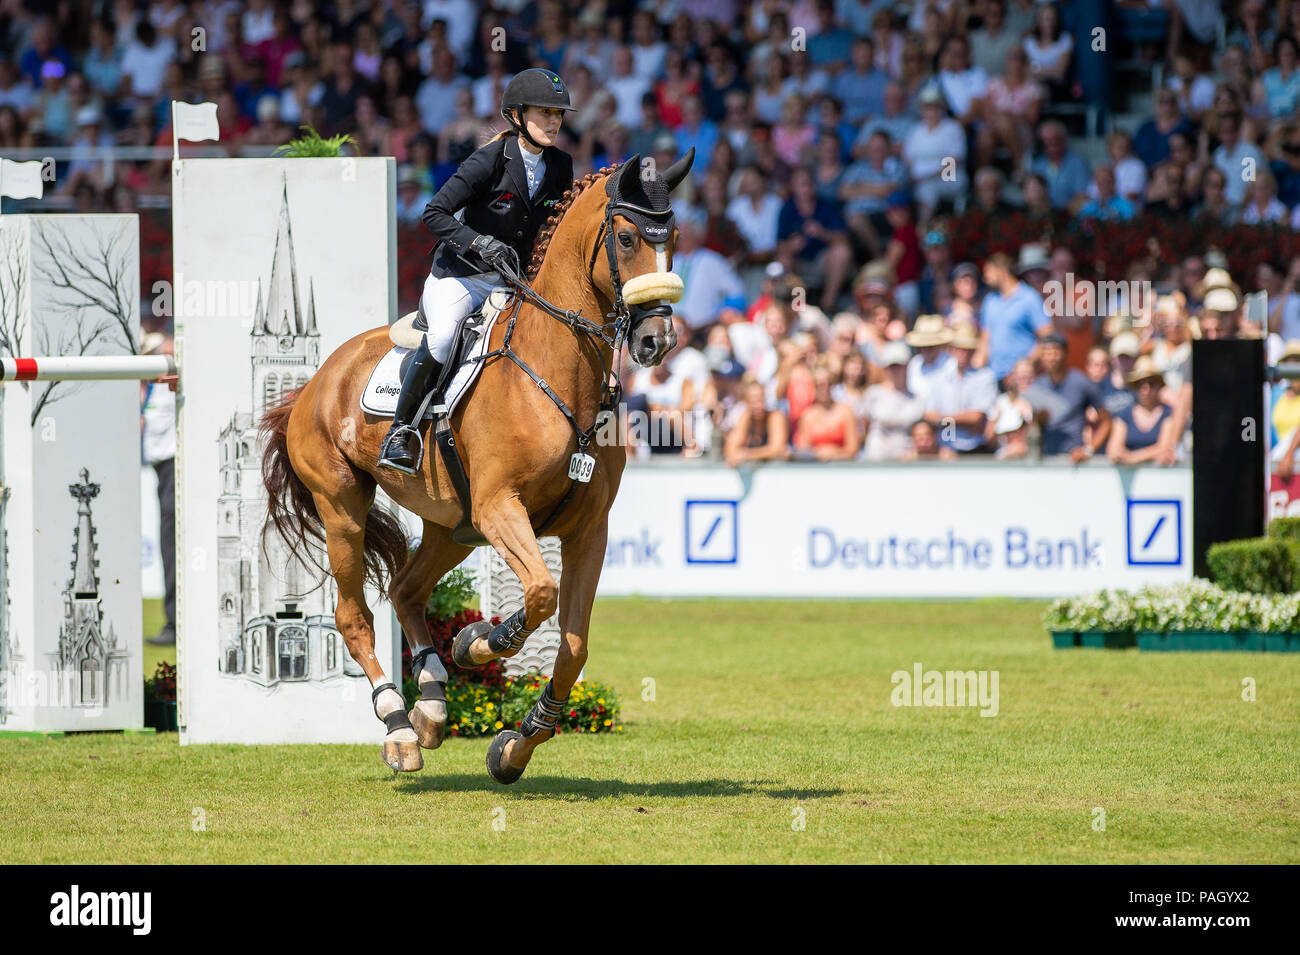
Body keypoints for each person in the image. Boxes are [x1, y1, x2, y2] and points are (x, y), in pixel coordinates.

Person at [378, 69, 576, 472]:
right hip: (462, 276)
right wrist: (478, 241)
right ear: (517, 116)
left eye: (558, 114)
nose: (555, 121)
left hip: (515, 281)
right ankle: (402, 431)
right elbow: (435, 212)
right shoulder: (488, 159)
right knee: (445, 334)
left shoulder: (561, 165)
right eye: (545, 112)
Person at [142, 332, 177, 646]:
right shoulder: (152, 387)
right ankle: (174, 622)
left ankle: (175, 624)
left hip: (172, 467)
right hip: (161, 470)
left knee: (173, 543)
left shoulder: (172, 381)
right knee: (170, 545)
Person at [1031, 333, 1109, 460]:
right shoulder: (1037, 386)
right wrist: (1039, 420)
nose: (1051, 358)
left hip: (1074, 460)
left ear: (1065, 354)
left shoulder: (1081, 383)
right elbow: (1033, 427)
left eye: (1055, 352)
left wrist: (1088, 450)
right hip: (1046, 461)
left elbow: (1106, 422)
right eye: (1046, 353)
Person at [862, 341, 926, 461]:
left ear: (906, 366)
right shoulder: (873, 394)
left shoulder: (918, 398)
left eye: (899, 365)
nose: (896, 370)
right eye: (892, 366)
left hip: (905, 460)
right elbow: (864, 425)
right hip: (876, 458)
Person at [1107, 356, 1176, 465]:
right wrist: (1151, 454)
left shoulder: (1169, 413)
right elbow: (1114, 451)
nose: (1146, 389)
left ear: (1159, 385)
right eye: (1140, 384)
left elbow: (1166, 446)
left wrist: (1132, 458)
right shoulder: (1124, 414)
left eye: (1151, 384)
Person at [793, 361, 861, 461]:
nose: (824, 388)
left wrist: (834, 453)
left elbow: (853, 449)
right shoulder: (807, 415)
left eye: (828, 384)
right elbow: (803, 450)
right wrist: (818, 454)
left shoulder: (846, 411)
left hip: (842, 466)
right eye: (819, 384)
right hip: (816, 466)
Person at [724, 378, 791, 468]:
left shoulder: (775, 416)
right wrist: (765, 453)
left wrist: (747, 455)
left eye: (761, 399)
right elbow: (731, 451)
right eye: (753, 401)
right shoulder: (745, 418)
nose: (758, 405)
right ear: (746, 402)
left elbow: (777, 448)